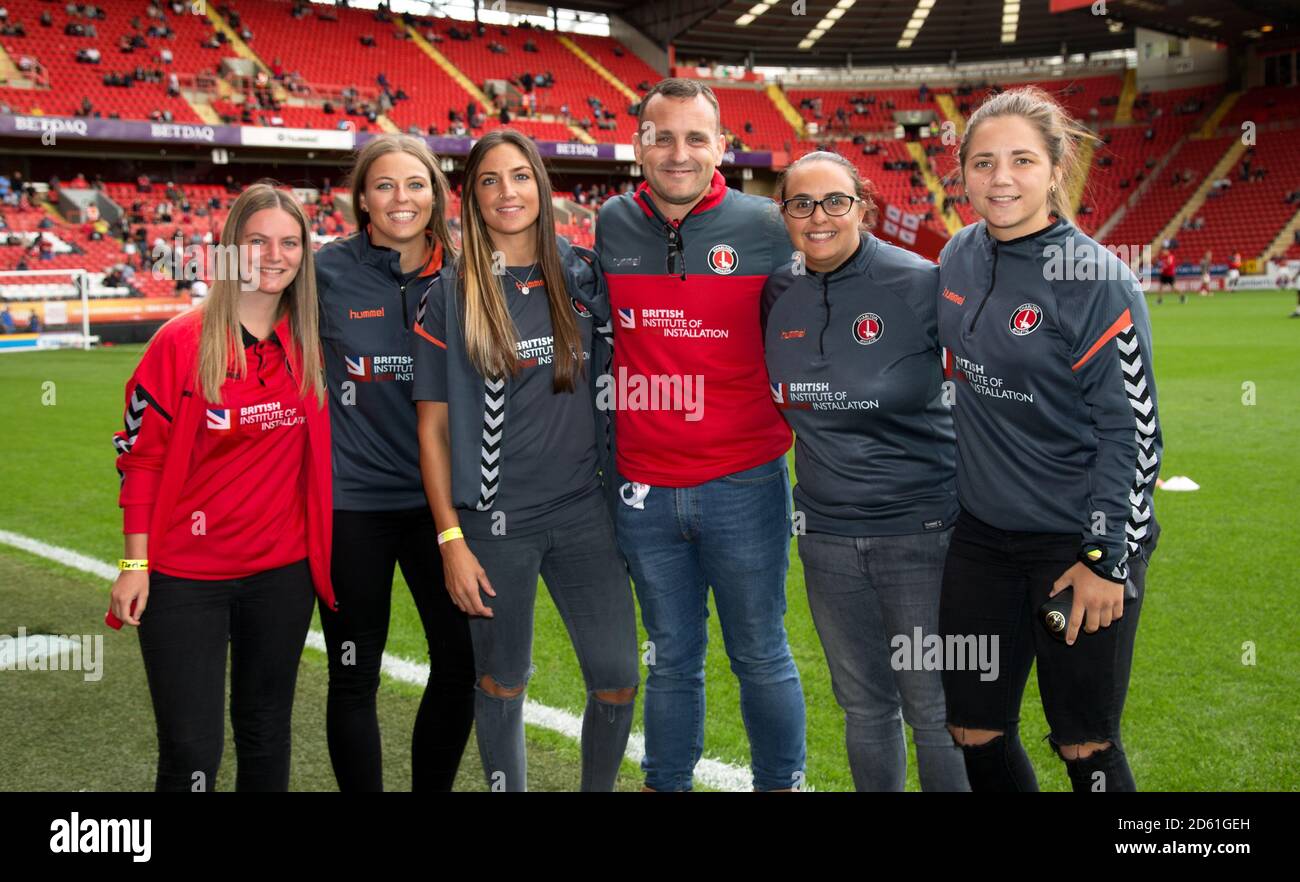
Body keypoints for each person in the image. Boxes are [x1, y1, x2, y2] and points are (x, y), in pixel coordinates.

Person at [936, 87, 1162, 792]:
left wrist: (1103, 558)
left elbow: (1135, 433)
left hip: (1076, 543)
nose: (1000, 178)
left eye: (1022, 160)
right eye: (983, 162)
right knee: (974, 728)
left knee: (1084, 743)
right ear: (963, 171)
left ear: (1057, 166)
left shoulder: (1096, 279)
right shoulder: (958, 255)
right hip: (982, 541)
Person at [595, 78, 805, 792]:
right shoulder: (611, 224)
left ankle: (781, 783)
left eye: (695, 138)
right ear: (639, 146)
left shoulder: (769, 228)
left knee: (760, 652)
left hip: (745, 481)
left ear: (721, 146)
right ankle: (667, 783)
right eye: (663, 136)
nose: (678, 153)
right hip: (643, 487)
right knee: (671, 657)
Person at [412, 129, 638, 791]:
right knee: (502, 682)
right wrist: (450, 539)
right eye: (489, 180)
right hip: (491, 525)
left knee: (618, 678)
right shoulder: (449, 294)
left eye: (518, 176)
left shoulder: (582, 275)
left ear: (540, 187)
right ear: (472, 199)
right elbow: (432, 431)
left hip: (581, 514)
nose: (506, 192)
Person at [108, 183, 334, 791]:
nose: (274, 255)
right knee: (190, 753)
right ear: (230, 248)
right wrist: (135, 562)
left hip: (282, 575)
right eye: (257, 241)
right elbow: (140, 460)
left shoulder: (313, 344)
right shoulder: (179, 342)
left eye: (289, 243)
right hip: (185, 578)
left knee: (266, 733)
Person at [762, 151, 968, 792]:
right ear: (784, 215)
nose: (818, 217)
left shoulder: (919, 282)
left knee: (934, 711)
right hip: (824, 536)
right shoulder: (777, 291)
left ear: (863, 206)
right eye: (801, 204)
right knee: (864, 707)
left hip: (922, 533)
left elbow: (993, 387)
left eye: (835, 202)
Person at [314, 134, 475, 792]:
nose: (400, 198)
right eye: (384, 185)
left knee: (460, 663)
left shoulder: (467, 276)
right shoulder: (324, 271)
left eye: (415, 184)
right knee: (354, 672)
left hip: (446, 507)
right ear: (362, 198)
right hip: (351, 506)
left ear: (436, 198)